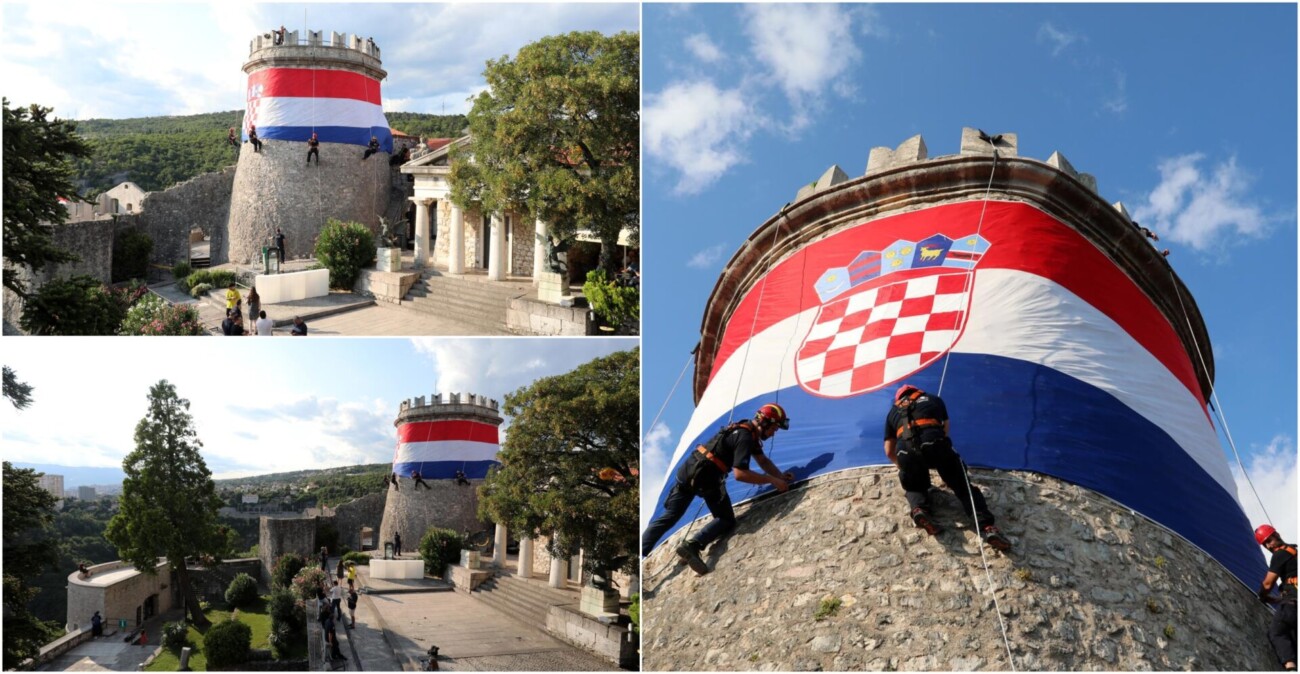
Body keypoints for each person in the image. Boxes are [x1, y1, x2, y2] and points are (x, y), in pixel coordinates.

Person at [641, 403, 796, 575]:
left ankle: (639, 555)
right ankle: (692, 545)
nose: (774, 432)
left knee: (669, 517)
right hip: (707, 477)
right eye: (774, 428)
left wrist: (780, 476)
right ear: (765, 423)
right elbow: (740, 474)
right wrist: (772, 481)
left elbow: (763, 461)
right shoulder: (745, 437)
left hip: (689, 470)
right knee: (726, 519)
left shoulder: (744, 429)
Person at [883, 384, 1011, 550]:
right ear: (917, 391)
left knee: (914, 485)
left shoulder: (892, 412)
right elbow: (945, 429)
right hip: (934, 442)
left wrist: (901, 466)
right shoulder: (934, 399)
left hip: (905, 450)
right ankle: (988, 528)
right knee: (963, 487)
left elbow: (888, 450)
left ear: (899, 398)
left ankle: (919, 510)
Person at [1255, 524, 1297, 670]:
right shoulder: (1293, 552)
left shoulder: (1280, 554)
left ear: (1276, 534)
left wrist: (1262, 596)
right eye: (1265, 544)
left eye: (1269, 540)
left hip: (1292, 605)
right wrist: (1278, 599)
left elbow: (1268, 583)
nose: (1269, 545)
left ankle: (1290, 668)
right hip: (1293, 601)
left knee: (1277, 632)